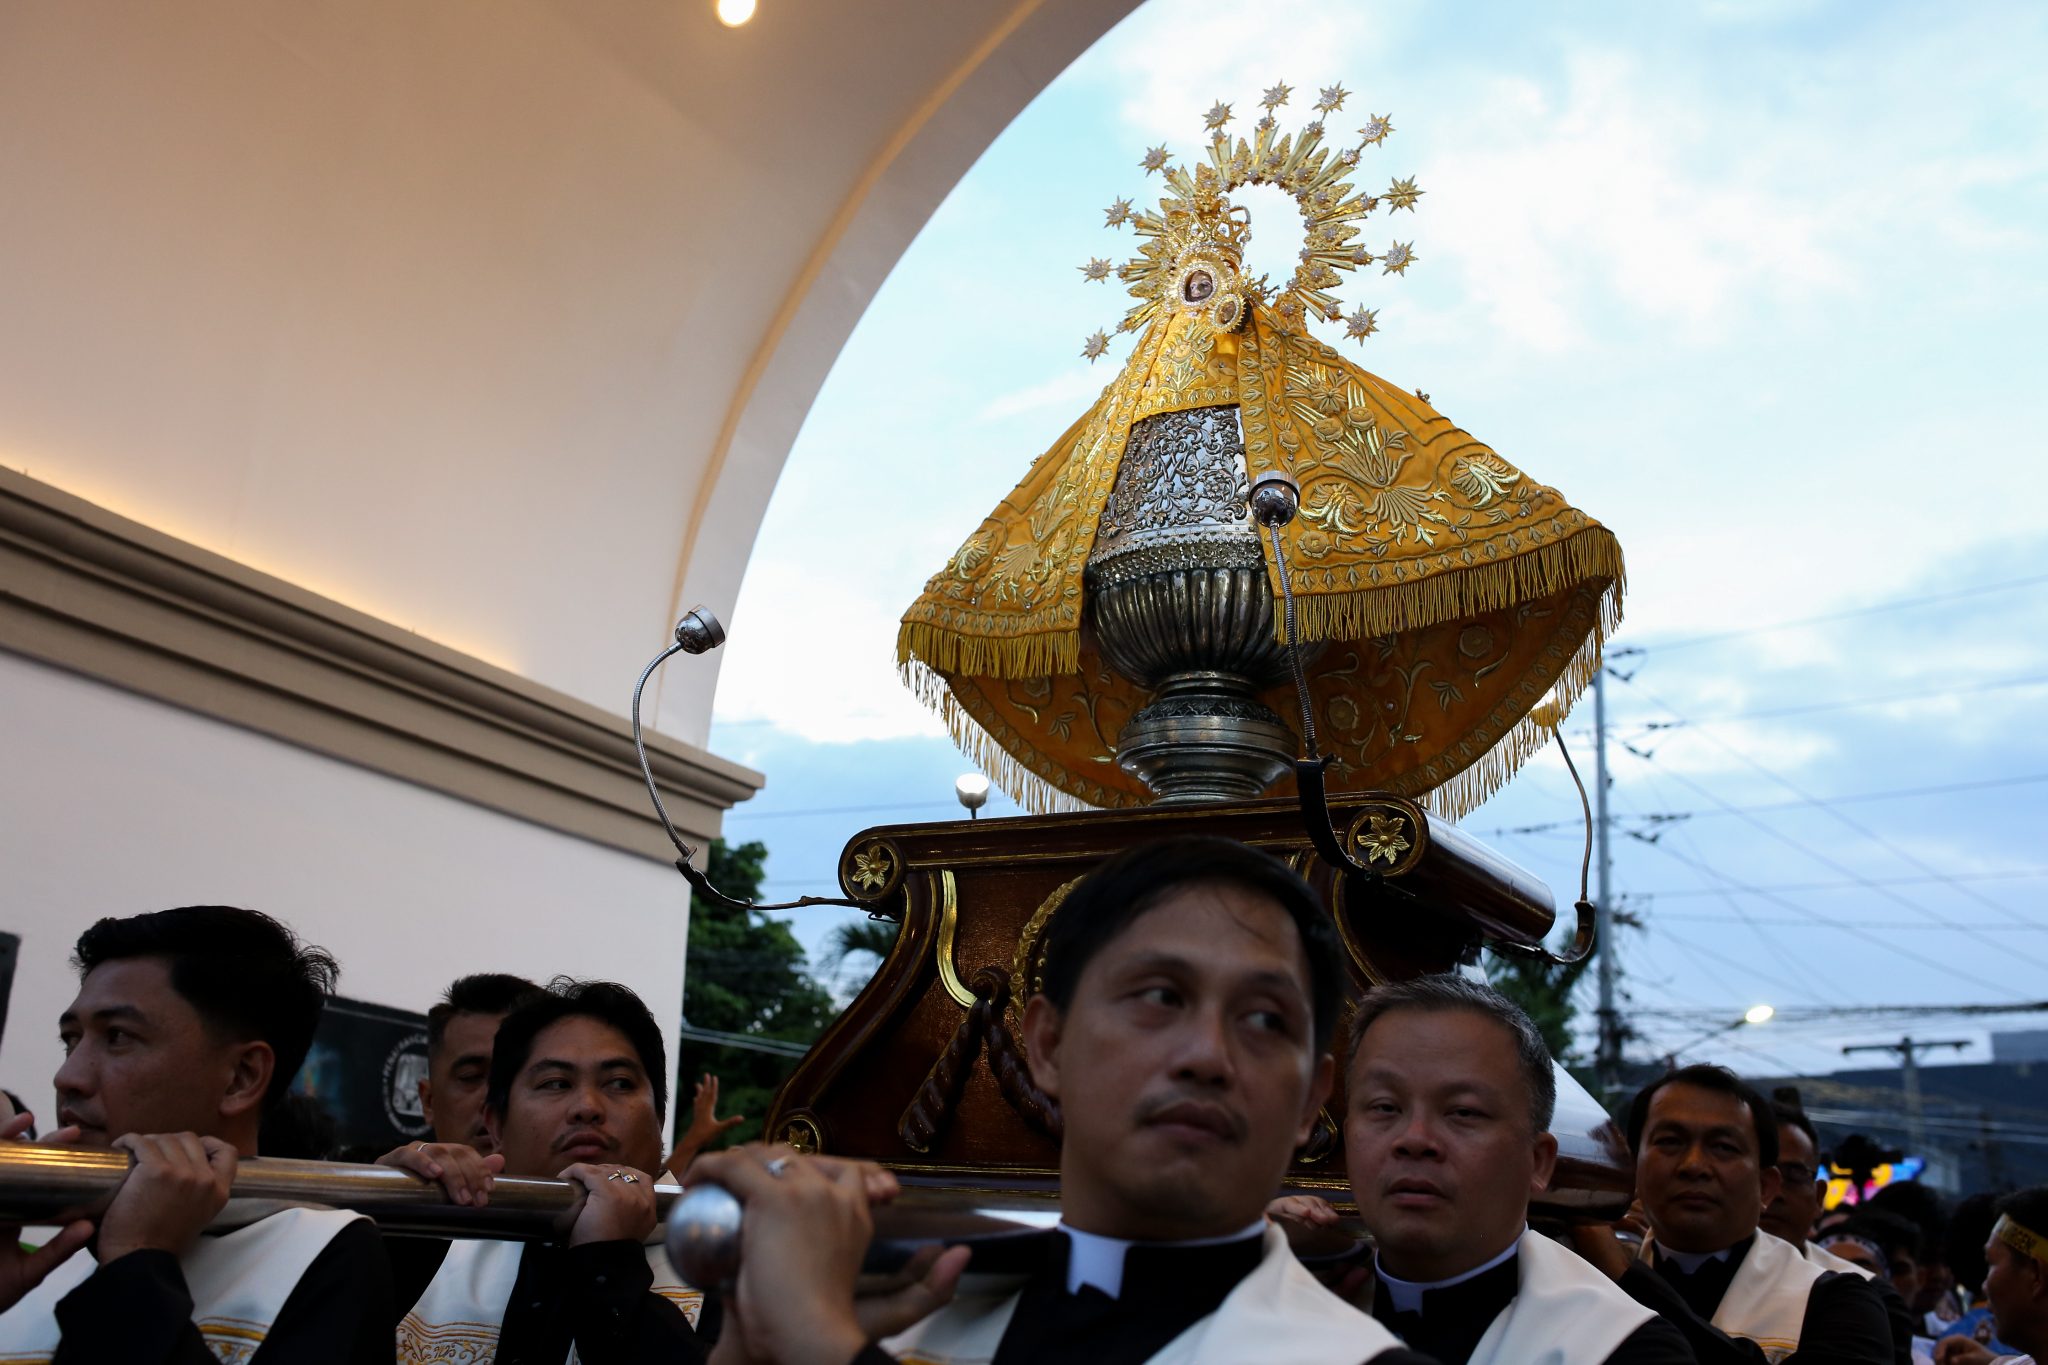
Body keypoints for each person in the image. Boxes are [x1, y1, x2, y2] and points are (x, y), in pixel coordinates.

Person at [692, 835, 1434, 1365]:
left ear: (1311, 1099)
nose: (1208, 1054)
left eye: (1267, 1019)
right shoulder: (911, 1311)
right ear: (1045, 1045)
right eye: (1159, 996)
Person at [0, 905, 395, 1362]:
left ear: (240, 1078)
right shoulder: (46, 1254)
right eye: (70, 1040)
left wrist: (135, 1260)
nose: (68, 1076)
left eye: (118, 1037)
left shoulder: (323, 1253)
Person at [1305, 974, 1692, 1364]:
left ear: (1538, 1162)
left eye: (1463, 1112)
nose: (1415, 1139)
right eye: (1385, 1107)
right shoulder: (1292, 1301)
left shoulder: (1623, 1349)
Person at [393, 978, 705, 1364]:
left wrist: (607, 1265)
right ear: (495, 1125)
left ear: (659, 1115)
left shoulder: (737, 1271)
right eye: (555, 1083)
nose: (587, 1107)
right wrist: (382, 1214)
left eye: (620, 1083)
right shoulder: (429, 1249)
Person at [1573, 1065, 1890, 1365]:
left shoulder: (1840, 1302)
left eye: (1723, 1147)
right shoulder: (1576, 1280)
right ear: (1633, 1169)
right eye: (1670, 1142)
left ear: (1766, 1187)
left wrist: (1627, 1278)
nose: (1694, 1166)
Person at [1761, 1102, 1913, 1365]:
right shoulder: (1679, 1275)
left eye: (1794, 1174)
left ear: (1819, 1197)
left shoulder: (1874, 1295)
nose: (1775, 1193)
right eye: (1761, 1175)